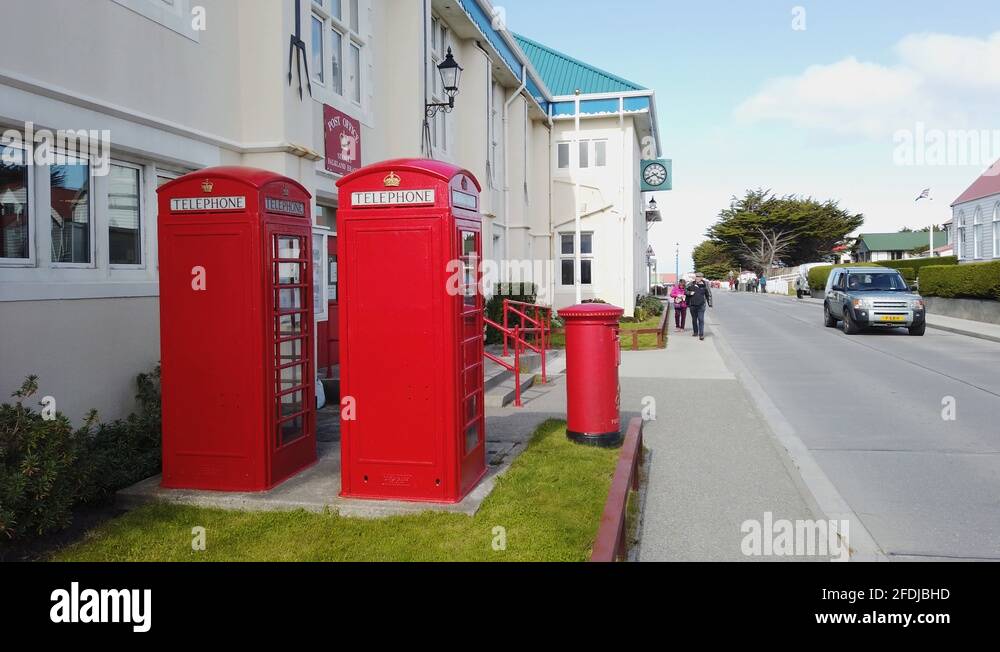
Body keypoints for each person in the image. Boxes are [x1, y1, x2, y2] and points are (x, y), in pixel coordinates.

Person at [685, 273, 713, 341]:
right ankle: (695, 332)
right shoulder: (691, 284)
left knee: (701, 319)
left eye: (698, 277)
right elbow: (684, 291)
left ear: (701, 277)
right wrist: (689, 293)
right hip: (692, 305)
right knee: (694, 319)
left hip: (701, 305)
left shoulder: (705, 284)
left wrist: (710, 304)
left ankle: (701, 334)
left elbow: (709, 294)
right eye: (696, 276)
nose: (697, 278)